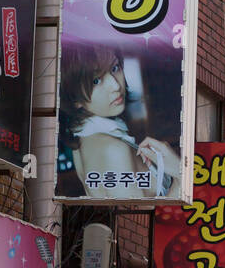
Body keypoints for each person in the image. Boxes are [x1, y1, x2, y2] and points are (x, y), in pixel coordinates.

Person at [58, 45, 183, 199]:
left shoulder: (84, 141)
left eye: (115, 68)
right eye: (96, 81)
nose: (116, 86)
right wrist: (179, 177)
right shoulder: (113, 149)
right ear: (74, 98)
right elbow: (135, 221)